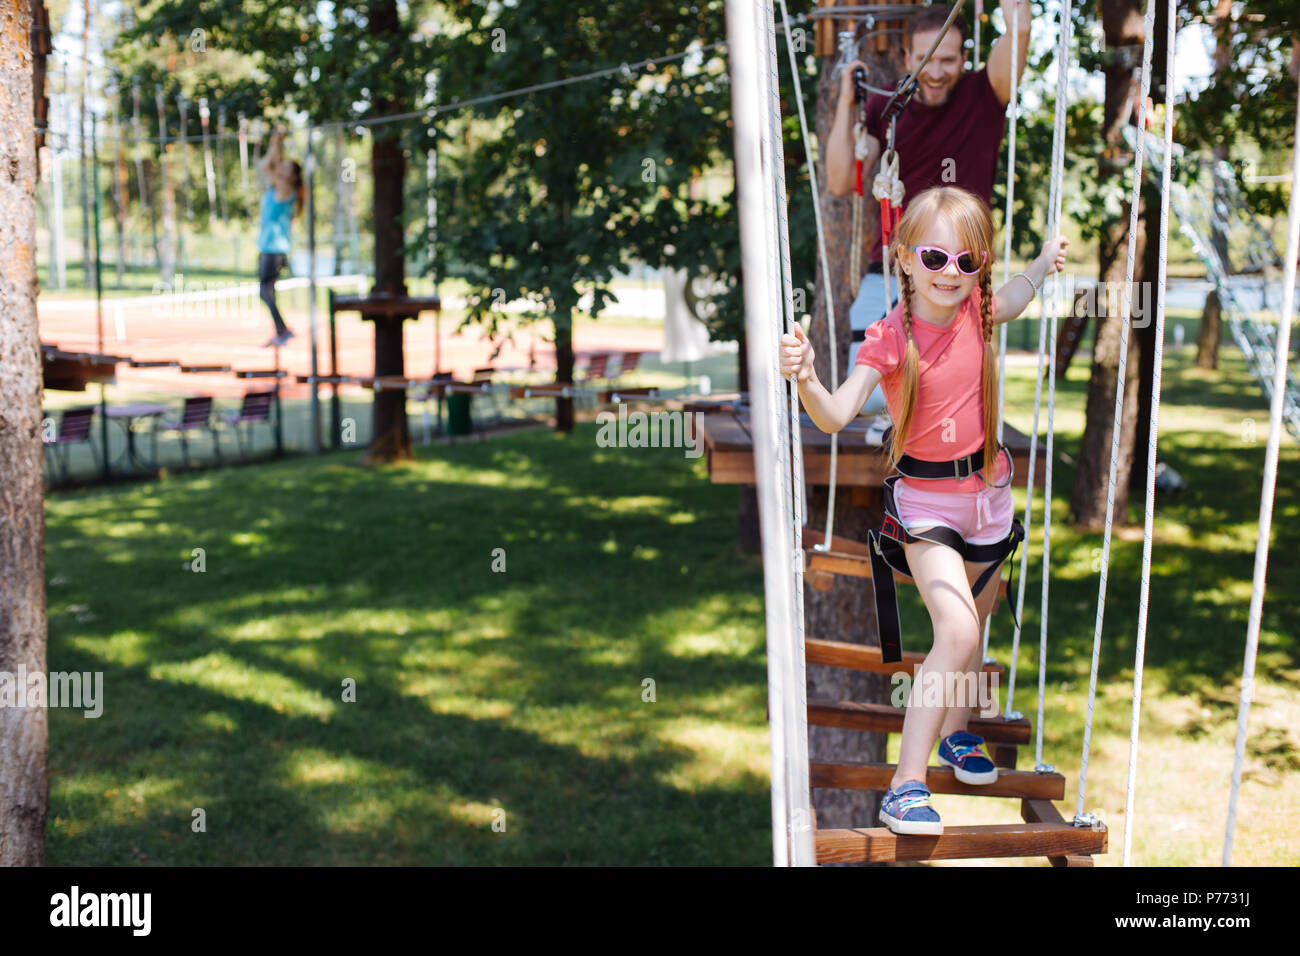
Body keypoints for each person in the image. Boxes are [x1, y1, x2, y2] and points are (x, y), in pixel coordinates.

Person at [780, 185, 1068, 836]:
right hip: (926, 505)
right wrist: (804, 378)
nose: (950, 274)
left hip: (989, 501)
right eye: (936, 257)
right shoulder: (889, 338)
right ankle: (903, 787)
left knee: (979, 626)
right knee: (957, 632)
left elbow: (1018, 292)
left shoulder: (983, 309)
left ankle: (957, 733)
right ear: (905, 258)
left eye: (967, 262)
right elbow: (833, 415)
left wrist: (1043, 261)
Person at [827, 1, 1033, 409]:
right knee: (865, 398)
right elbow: (840, 180)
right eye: (925, 59)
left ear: (965, 58)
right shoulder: (886, 110)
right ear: (907, 58)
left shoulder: (986, 92)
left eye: (947, 59)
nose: (936, 72)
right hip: (891, 266)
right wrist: (844, 104)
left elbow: (1020, 31)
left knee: (944, 388)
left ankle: (925, 440)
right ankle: (897, 427)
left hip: (956, 269)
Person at [255, 127, 305, 347]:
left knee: (264, 292)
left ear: (292, 176)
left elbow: (270, 165)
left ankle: (283, 330)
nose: (281, 169)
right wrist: (276, 142)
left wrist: (277, 142)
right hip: (267, 247)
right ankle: (281, 330)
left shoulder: (286, 190)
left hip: (275, 249)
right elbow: (268, 165)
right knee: (266, 293)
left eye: (286, 168)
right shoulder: (276, 188)